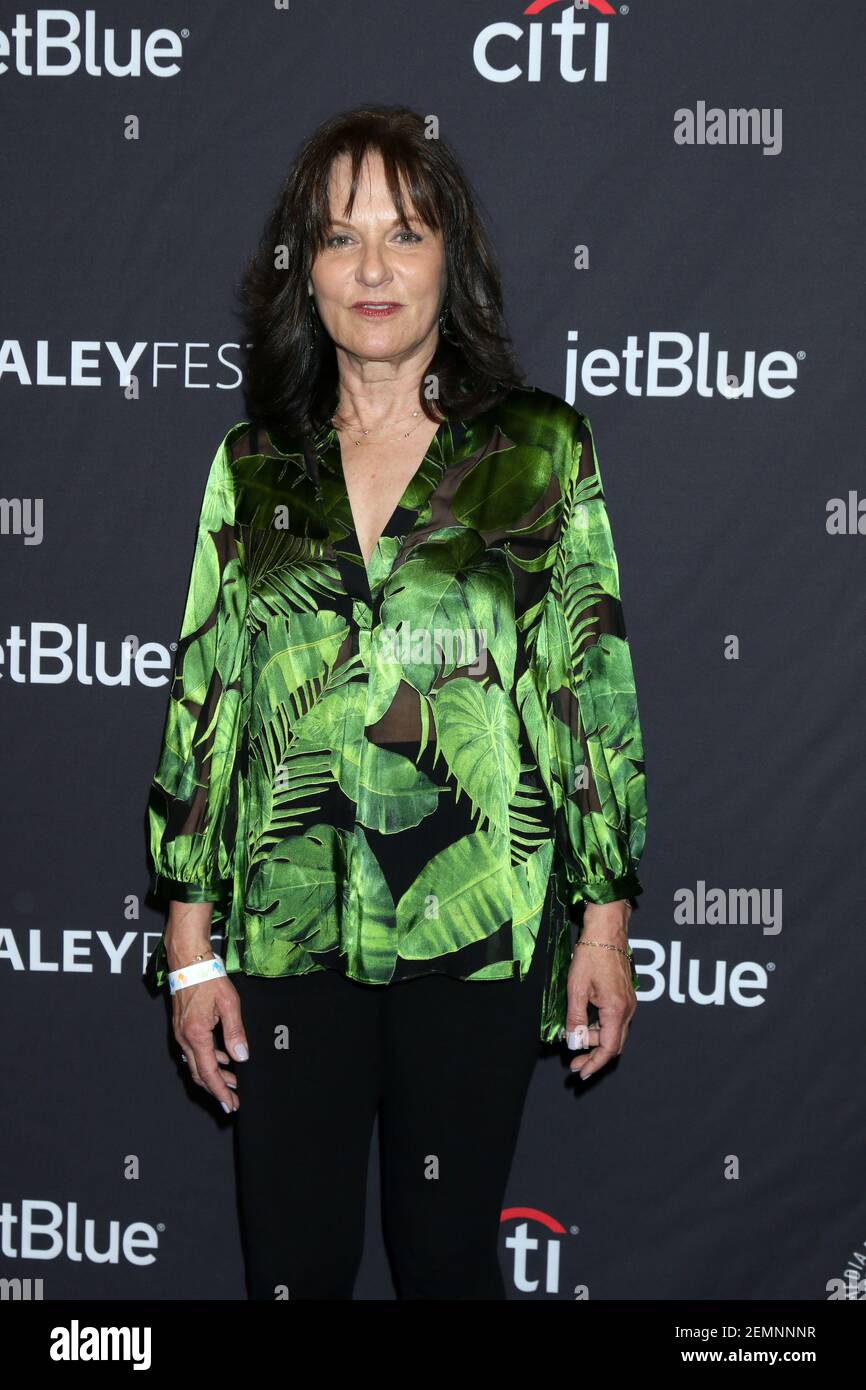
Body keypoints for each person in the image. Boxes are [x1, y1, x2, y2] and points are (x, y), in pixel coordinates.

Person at [144, 104, 647, 1300]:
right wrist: (186, 943)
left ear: (448, 262)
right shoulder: (253, 463)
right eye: (338, 238)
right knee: (293, 1267)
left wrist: (602, 923)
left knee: (442, 1265)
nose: (372, 268)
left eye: (404, 234)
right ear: (302, 273)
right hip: (286, 936)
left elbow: (589, 701)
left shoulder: (537, 449)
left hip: (471, 940)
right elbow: (206, 701)